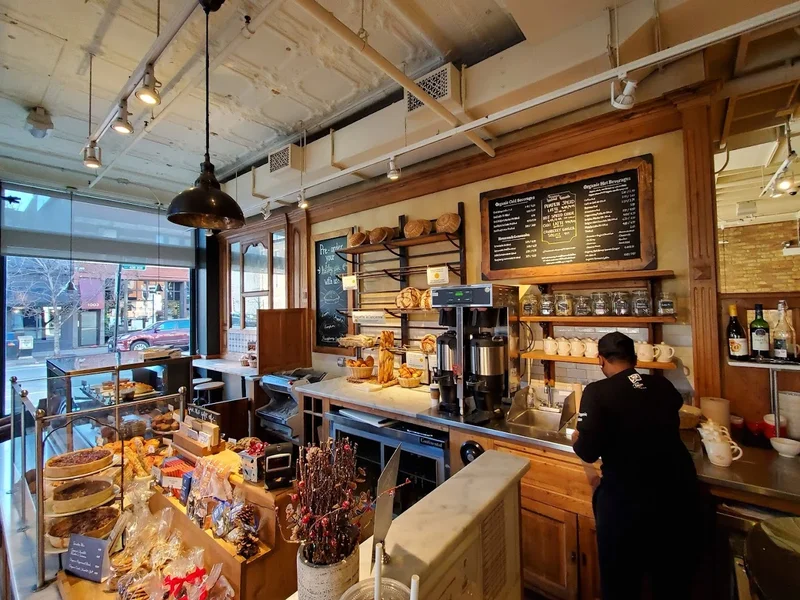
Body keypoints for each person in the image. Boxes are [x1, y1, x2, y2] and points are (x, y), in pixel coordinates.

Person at [572, 332, 701, 600]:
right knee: (670, 584)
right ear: (634, 359)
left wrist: (578, 439)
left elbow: (587, 450)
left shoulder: (597, 392)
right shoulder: (662, 386)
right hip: (677, 499)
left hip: (627, 504)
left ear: (600, 360)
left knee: (621, 585)